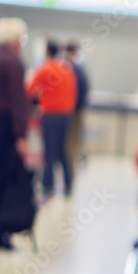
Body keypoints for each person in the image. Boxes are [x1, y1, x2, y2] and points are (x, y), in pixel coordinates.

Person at [0, 18, 35, 250]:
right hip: (7, 125)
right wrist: (21, 135)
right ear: (16, 39)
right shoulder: (13, 63)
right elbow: (17, 102)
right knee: (3, 178)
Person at [27, 38, 77, 197]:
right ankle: (68, 184)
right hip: (65, 116)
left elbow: (30, 91)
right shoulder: (67, 70)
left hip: (49, 115)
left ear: (47, 52)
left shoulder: (43, 69)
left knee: (49, 149)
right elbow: (73, 94)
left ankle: (48, 185)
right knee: (63, 149)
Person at [64, 40, 89, 177]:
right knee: (72, 143)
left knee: (69, 143)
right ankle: (69, 172)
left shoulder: (69, 68)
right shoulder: (77, 70)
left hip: (67, 111)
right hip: (72, 111)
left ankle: (68, 172)